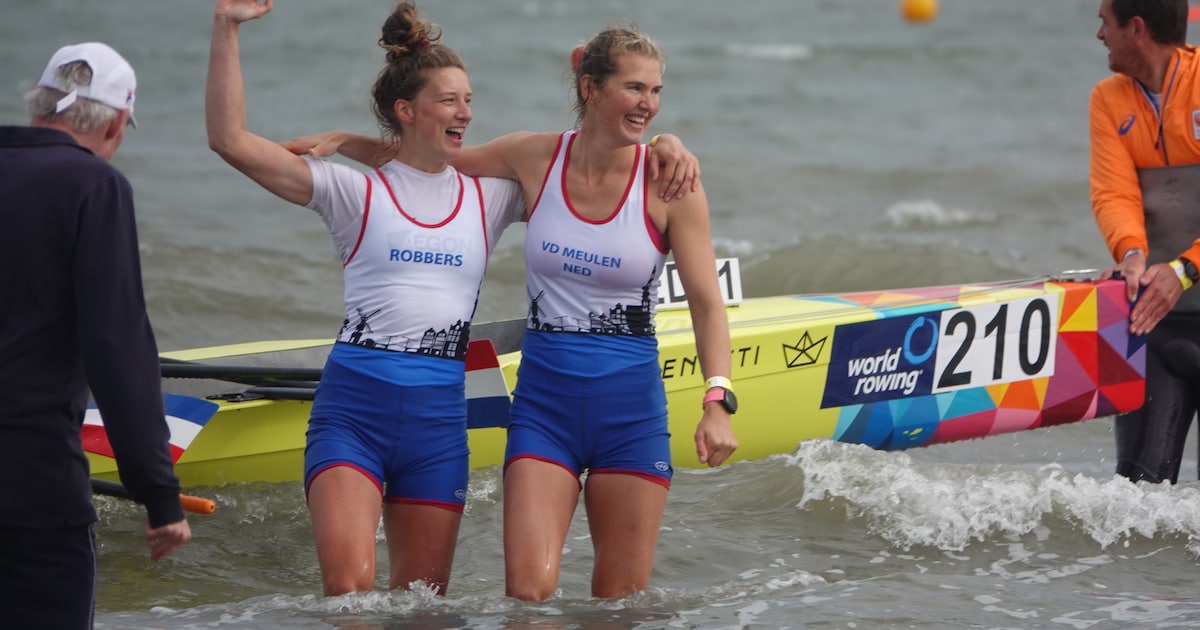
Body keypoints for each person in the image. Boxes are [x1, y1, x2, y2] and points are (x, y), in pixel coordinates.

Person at [289, 23, 738, 600]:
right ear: (590, 87)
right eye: (633, 88)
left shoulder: (670, 183)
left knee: (621, 605)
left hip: (630, 414)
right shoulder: (534, 157)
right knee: (527, 598)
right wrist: (348, 141)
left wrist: (717, 400)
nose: (647, 104)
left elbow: (707, 304)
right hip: (544, 414)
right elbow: (433, 158)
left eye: (655, 91)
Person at [208, 0, 535, 597]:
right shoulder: (353, 193)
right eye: (449, 100)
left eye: (468, 99)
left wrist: (663, 145)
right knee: (349, 594)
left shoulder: (490, 198)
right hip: (354, 414)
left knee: (423, 605)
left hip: (439, 425)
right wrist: (226, 27)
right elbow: (229, 140)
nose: (465, 112)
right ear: (407, 111)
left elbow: (582, 174)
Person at [0, 42, 192, 628]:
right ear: (114, 123)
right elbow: (117, 347)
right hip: (30, 486)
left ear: (39, 104)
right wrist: (158, 493)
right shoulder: (92, 185)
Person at [1090, 0, 1200, 484]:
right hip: (1154, 323)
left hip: (1178, 286)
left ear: (1136, 28)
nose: (1099, 35)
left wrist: (1185, 269)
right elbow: (1114, 193)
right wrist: (1131, 253)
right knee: (1136, 500)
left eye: (1104, 22)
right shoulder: (1107, 99)